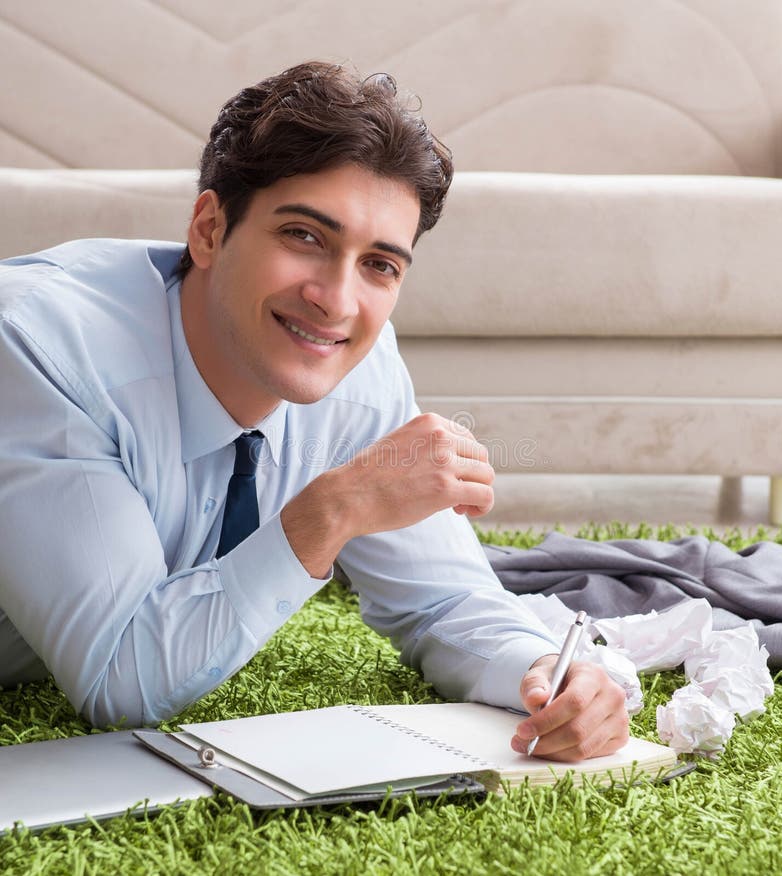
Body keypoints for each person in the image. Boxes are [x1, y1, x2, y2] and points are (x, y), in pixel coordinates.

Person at [0, 62, 628, 760]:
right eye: (304, 236)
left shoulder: (355, 360)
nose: (336, 301)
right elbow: (121, 679)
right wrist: (331, 510)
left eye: (379, 265)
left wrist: (542, 674)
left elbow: (442, 600)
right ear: (208, 229)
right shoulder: (38, 346)